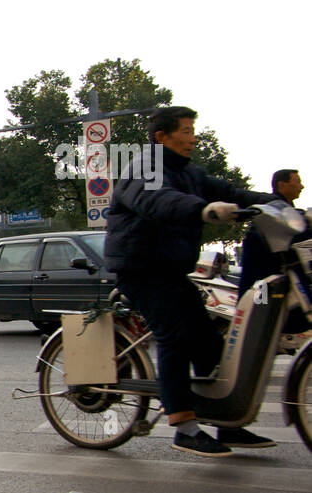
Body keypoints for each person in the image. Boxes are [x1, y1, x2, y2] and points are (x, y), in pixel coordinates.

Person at [106, 106, 280, 457]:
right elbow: (157, 200)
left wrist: (280, 204)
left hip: (168, 270)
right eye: (185, 131)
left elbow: (233, 192)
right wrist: (202, 209)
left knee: (210, 342)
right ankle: (183, 427)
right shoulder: (145, 167)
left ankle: (226, 424)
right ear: (162, 137)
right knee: (175, 336)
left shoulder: (190, 172)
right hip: (140, 268)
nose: (192, 138)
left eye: (192, 130)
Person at [238, 169, 310, 334]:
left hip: (274, 282)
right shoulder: (274, 214)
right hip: (263, 281)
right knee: (260, 319)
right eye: (297, 181)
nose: (302, 186)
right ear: (282, 185)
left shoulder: (288, 212)